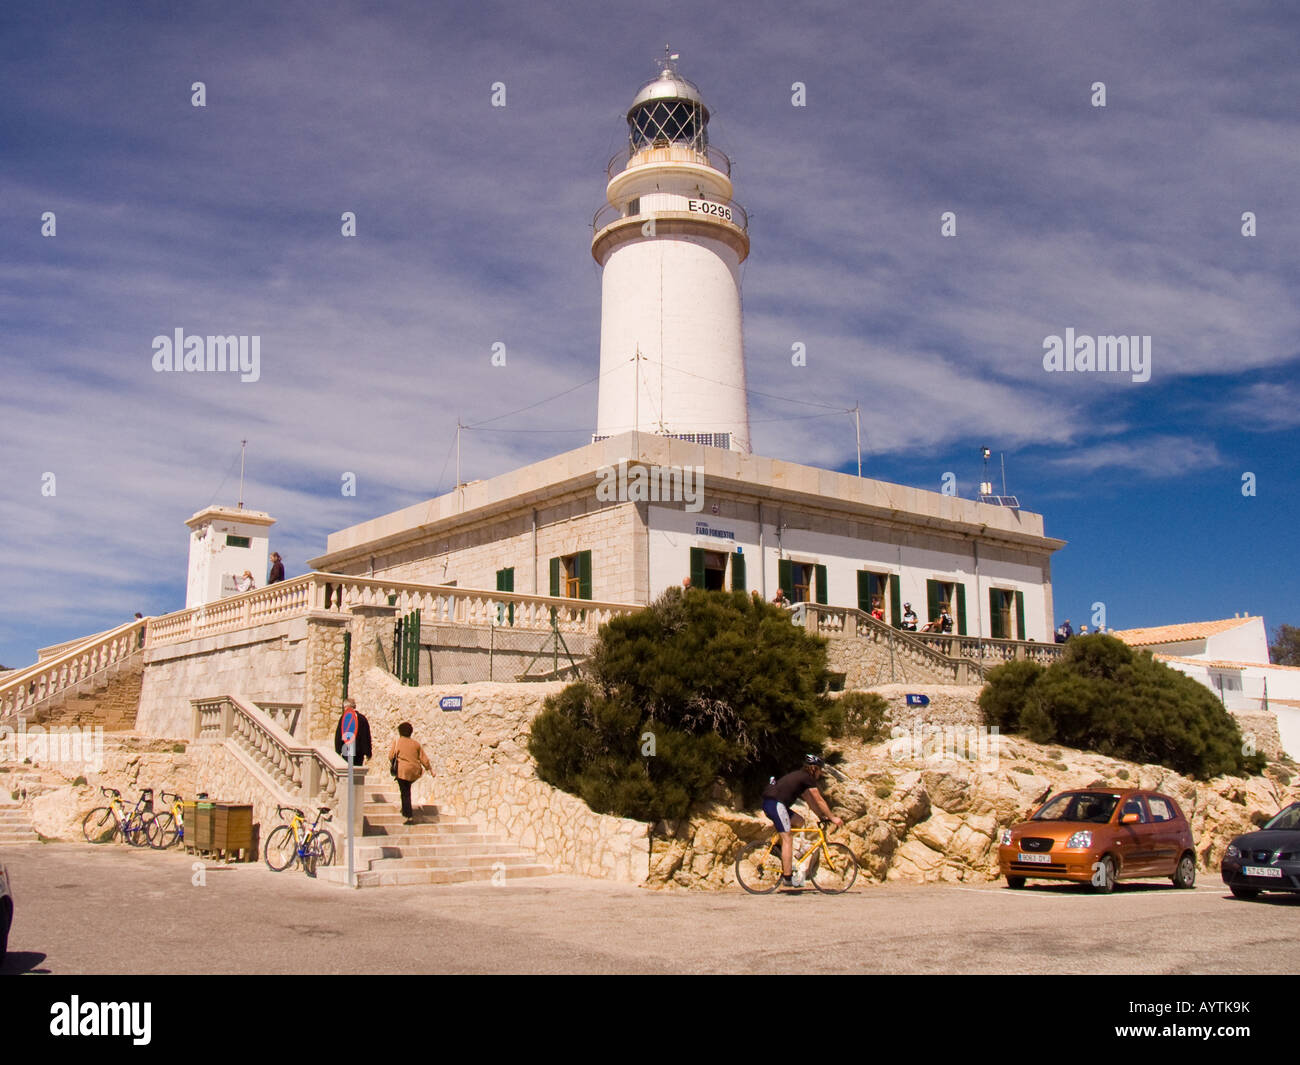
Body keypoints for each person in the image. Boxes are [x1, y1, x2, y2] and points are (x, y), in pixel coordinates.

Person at [761, 754, 843, 888]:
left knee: (799, 821)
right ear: (814, 769)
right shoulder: (807, 778)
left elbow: (811, 801)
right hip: (776, 804)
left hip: (774, 804)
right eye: (820, 770)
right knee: (788, 838)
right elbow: (819, 799)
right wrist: (833, 817)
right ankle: (787, 878)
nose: (821, 773)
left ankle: (783, 847)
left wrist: (821, 817)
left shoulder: (801, 778)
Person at [388, 721, 433, 824]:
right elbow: (424, 759)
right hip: (414, 772)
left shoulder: (398, 742)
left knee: (405, 792)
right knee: (407, 790)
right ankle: (407, 812)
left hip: (402, 771)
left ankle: (408, 815)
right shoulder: (416, 744)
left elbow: (390, 756)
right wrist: (430, 769)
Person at [334, 697, 372, 765]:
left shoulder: (344, 718)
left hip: (347, 751)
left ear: (346, 707)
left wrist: (338, 750)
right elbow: (366, 737)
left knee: (348, 773)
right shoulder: (362, 719)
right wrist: (368, 752)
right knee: (357, 773)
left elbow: (339, 735)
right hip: (359, 753)